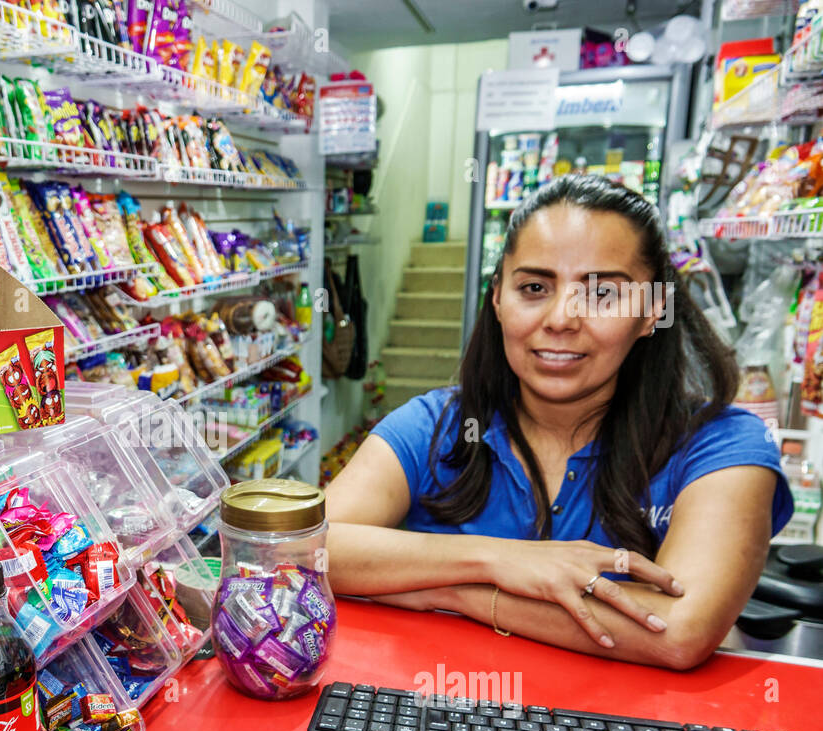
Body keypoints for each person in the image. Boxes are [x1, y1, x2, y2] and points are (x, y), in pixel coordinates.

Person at [326, 175, 793, 670]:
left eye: (602, 294)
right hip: (436, 729)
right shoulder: (436, 425)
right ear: (498, 297)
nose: (562, 318)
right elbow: (307, 547)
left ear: (654, 308)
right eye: (534, 287)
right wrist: (500, 560)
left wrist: (456, 591)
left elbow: (677, 631)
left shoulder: (720, 445)